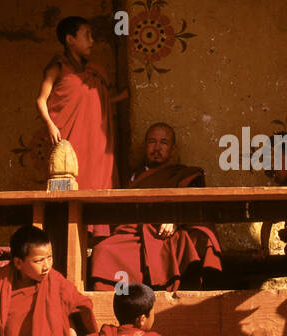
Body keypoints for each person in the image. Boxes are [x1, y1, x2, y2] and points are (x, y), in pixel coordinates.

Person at [88, 123, 222, 291]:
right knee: (103, 251)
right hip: (136, 234)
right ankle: (120, 303)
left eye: (164, 143)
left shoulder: (183, 174)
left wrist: (176, 220)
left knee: (200, 237)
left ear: (173, 149)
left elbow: (195, 206)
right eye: (152, 142)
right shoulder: (134, 177)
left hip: (169, 234)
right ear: (145, 146)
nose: (157, 148)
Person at [36, 16, 127, 196]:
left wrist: (121, 97)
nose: (92, 42)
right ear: (70, 40)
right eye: (87, 36)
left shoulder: (93, 72)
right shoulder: (58, 68)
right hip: (68, 139)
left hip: (95, 141)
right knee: (69, 175)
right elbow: (40, 100)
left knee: (98, 181)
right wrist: (50, 126)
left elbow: (94, 104)